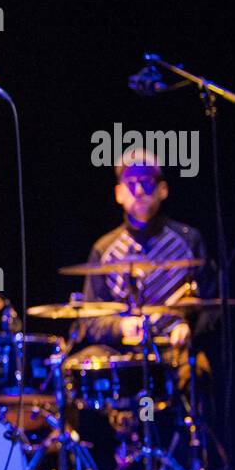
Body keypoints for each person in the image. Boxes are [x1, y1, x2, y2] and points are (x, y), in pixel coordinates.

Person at [70, 149, 215, 351]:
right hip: (123, 352)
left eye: (146, 182)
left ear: (162, 189)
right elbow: (92, 320)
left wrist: (190, 327)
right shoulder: (104, 249)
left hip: (176, 349)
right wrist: (120, 326)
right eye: (131, 184)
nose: (138, 191)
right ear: (118, 194)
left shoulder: (188, 241)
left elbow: (213, 304)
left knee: (195, 371)